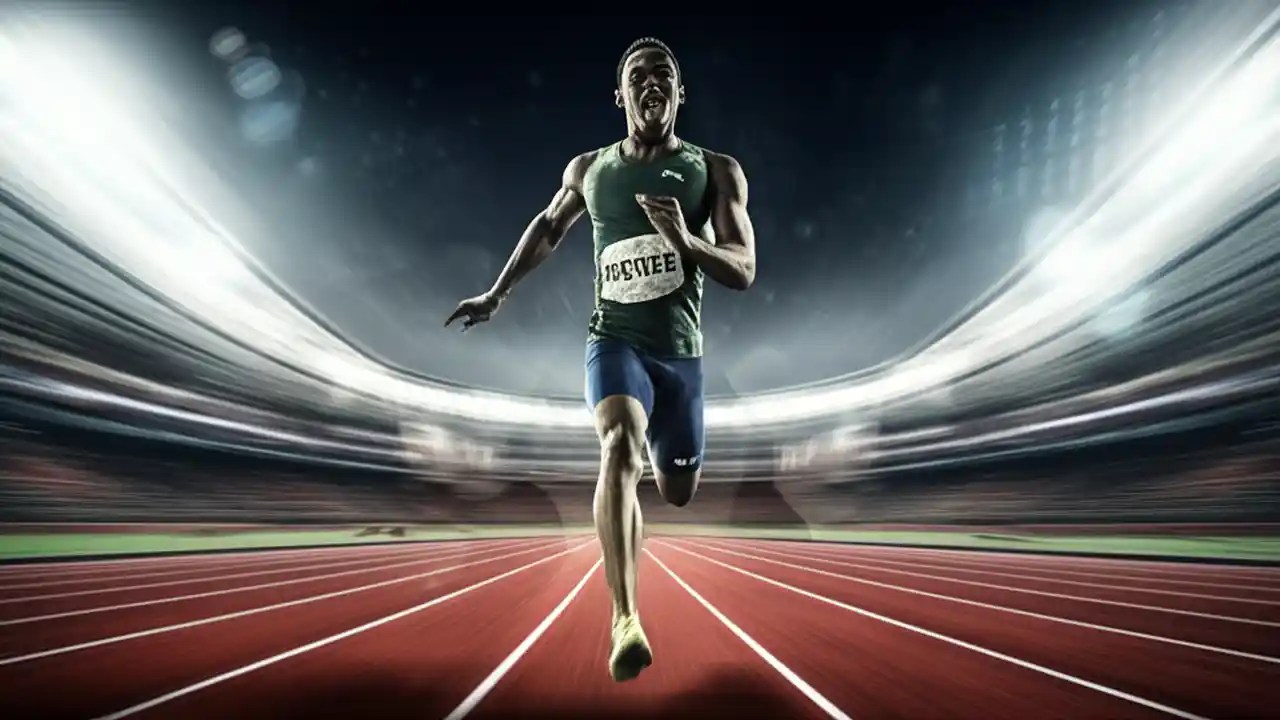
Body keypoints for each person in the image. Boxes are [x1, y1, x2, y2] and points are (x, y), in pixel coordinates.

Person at [446, 37, 756, 682]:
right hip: (613, 339)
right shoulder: (590, 170)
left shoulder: (715, 170)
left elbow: (744, 268)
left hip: (681, 358)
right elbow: (549, 227)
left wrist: (685, 241)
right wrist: (497, 293)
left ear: (680, 92)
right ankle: (625, 618)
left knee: (677, 492)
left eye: (663, 74)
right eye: (638, 76)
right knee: (618, 444)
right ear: (620, 96)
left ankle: (652, 482)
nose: (651, 84)